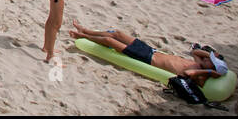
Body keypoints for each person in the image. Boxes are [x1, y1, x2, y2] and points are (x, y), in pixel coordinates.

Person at [67, 23, 229, 84]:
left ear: (211, 69)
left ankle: (83, 36)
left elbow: (187, 73)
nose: (207, 60)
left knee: (111, 42)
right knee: (116, 33)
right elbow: (195, 51)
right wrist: (210, 56)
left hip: (146, 59)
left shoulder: (200, 75)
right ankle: (86, 30)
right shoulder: (200, 62)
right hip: (151, 50)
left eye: (210, 61)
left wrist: (209, 71)